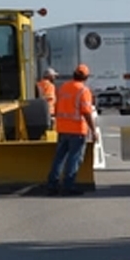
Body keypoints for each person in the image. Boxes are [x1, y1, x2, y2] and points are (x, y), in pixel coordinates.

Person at [46, 64, 98, 196]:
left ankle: (52, 184)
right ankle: (68, 186)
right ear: (85, 77)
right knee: (74, 159)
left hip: (62, 128)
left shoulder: (64, 87)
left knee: (59, 158)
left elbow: (58, 106)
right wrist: (93, 130)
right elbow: (86, 112)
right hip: (77, 130)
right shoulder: (84, 91)